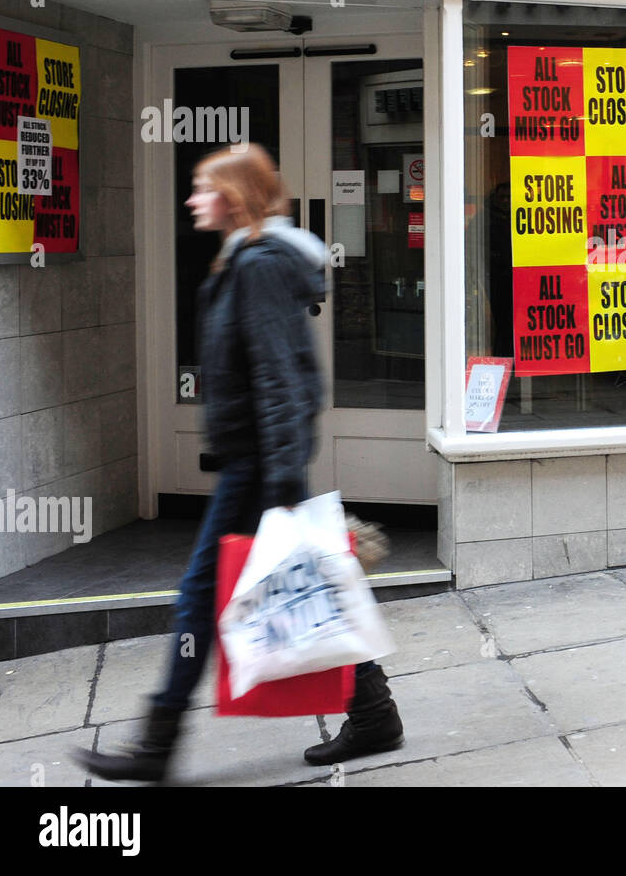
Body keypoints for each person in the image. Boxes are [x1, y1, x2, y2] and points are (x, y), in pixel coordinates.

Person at [73, 144, 403, 783]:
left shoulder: (257, 265)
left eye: (203, 188)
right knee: (309, 585)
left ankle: (157, 744)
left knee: (203, 595)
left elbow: (278, 376)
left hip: (260, 465)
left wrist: (280, 481)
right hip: (258, 462)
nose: (193, 199)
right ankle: (374, 714)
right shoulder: (245, 258)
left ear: (235, 196)